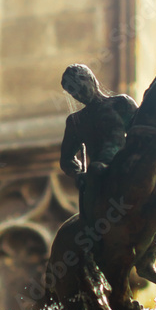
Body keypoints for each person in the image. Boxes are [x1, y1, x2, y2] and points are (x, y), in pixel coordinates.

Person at [59, 64, 137, 220]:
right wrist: (78, 174)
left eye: (80, 89)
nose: (79, 95)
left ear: (91, 80)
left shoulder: (121, 104)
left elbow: (140, 131)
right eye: (73, 93)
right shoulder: (76, 121)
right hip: (99, 174)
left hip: (127, 163)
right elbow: (66, 159)